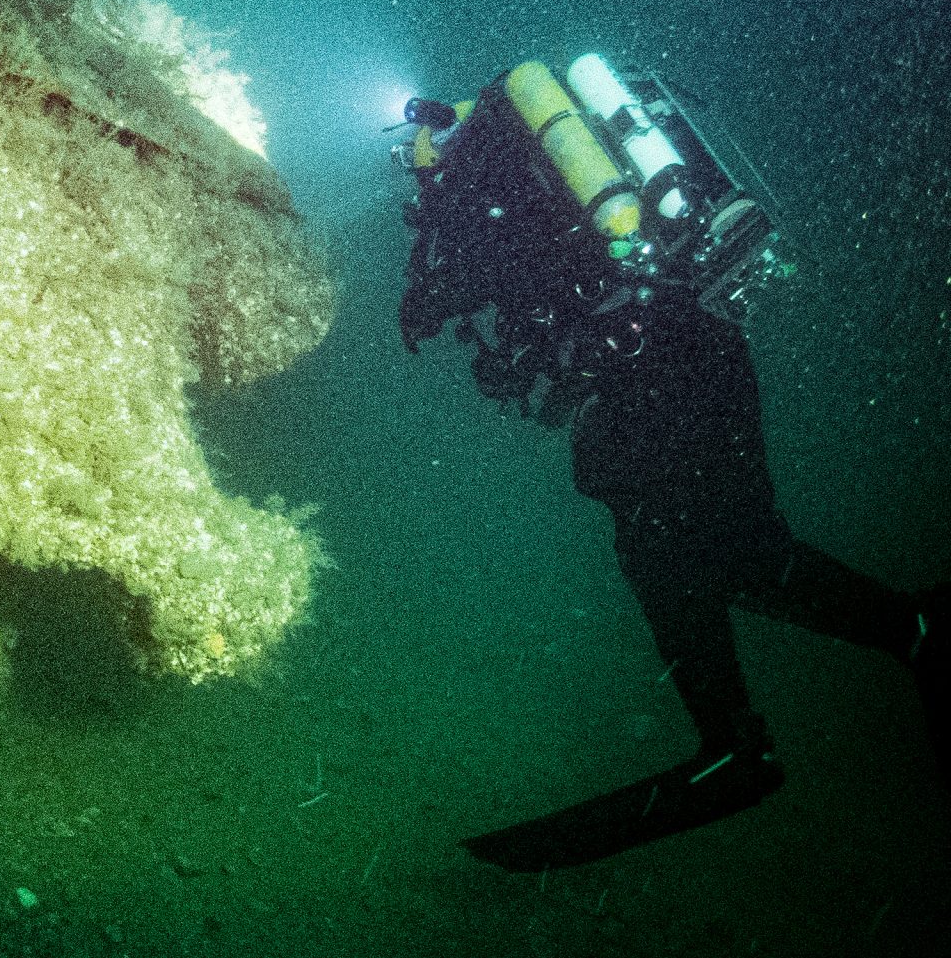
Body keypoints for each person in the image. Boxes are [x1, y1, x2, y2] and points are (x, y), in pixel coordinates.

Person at [395, 60, 945, 869]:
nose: (410, 168)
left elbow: (465, 292)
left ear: (441, 138)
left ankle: (732, 745)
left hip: (651, 384)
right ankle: (909, 633)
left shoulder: (486, 186)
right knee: (748, 553)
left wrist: (427, 282)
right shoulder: (546, 165)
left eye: (413, 151)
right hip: (705, 347)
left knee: (663, 546)